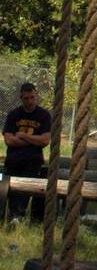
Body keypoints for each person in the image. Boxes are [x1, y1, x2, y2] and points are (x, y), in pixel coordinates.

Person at [2, 83, 51, 224]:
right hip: (14, 159)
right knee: (11, 189)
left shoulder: (44, 115)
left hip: (33, 160)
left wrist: (23, 136)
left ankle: (20, 216)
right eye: (26, 98)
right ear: (21, 97)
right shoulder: (13, 115)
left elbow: (45, 140)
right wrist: (33, 140)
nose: (30, 101)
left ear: (37, 96)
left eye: (32, 97)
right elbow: (9, 140)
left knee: (28, 188)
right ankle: (13, 216)